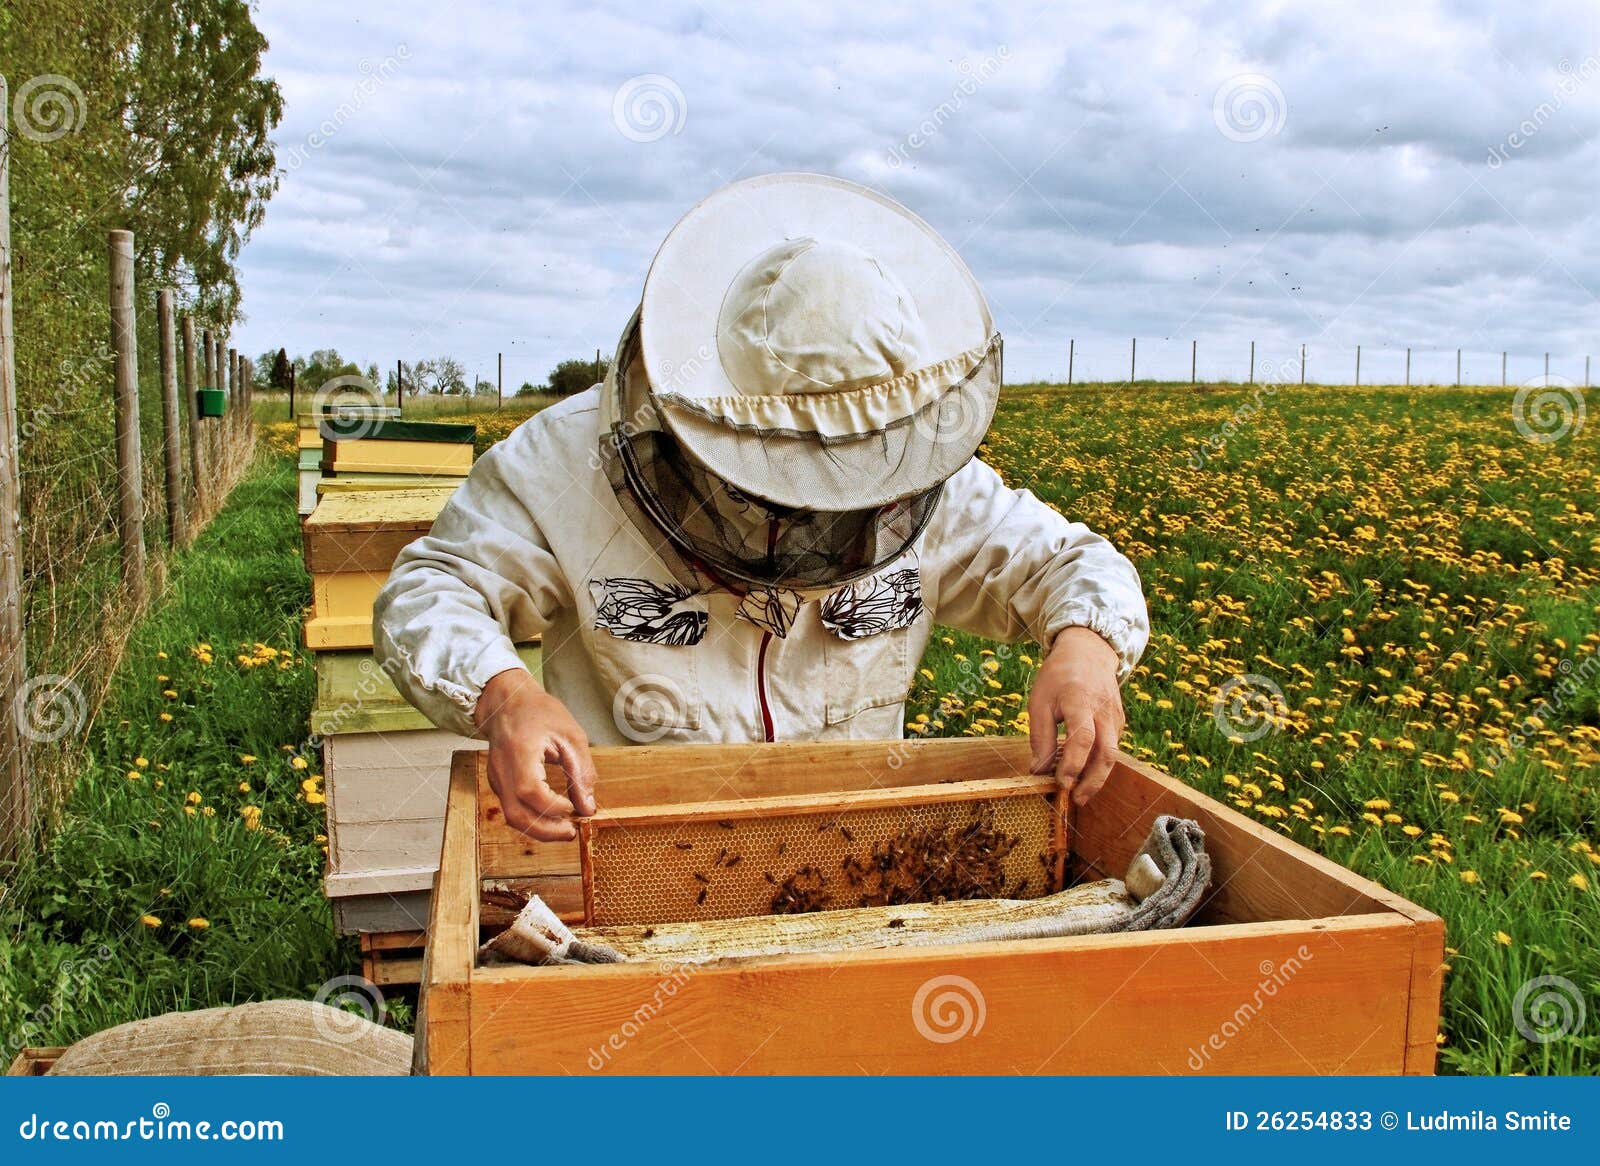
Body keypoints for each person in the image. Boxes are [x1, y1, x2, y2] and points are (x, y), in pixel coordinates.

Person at [374, 173, 1148, 842]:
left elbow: (1073, 562)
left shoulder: (920, 473)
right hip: (627, 852)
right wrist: (504, 696)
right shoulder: (562, 460)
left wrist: (1085, 648)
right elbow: (433, 588)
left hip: (854, 857)